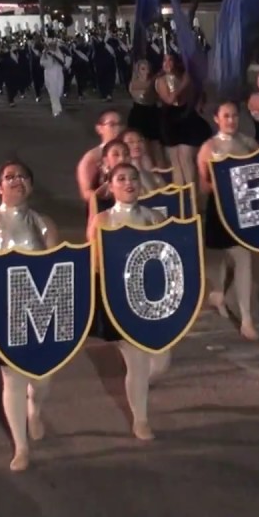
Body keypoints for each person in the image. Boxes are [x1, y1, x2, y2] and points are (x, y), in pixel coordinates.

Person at [0, 160, 62, 471]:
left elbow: (56, 268)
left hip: (43, 309)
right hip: (6, 307)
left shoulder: (45, 223)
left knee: (43, 378)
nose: (16, 181)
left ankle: (34, 409)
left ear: (31, 186)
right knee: (12, 379)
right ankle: (21, 447)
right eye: (9, 177)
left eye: (23, 176)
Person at [85, 163, 173, 440]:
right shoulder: (102, 221)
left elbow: (168, 261)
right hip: (121, 302)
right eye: (121, 179)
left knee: (160, 363)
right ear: (110, 187)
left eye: (133, 177)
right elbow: (95, 265)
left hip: (153, 302)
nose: (128, 183)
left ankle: (138, 391)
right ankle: (141, 419)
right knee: (137, 361)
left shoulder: (154, 218)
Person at [195, 102, 259, 340]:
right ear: (217, 119)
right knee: (241, 256)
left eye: (234, 116)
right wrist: (228, 186)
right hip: (222, 210)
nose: (231, 120)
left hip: (246, 210)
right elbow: (203, 185)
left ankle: (219, 293)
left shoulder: (249, 143)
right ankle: (246, 319)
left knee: (233, 256)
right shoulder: (208, 147)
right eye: (226, 116)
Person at [156, 54, 212, 187]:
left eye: (171, 60)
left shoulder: (184, 76)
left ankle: (192, 194)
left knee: (186, 159)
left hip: (187, 117)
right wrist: (183, 85)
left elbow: (197, 94)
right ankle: (181, 197)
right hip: (171, 119)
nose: (168, 63)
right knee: (176, 162)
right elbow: (170, 100)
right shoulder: (161, 80)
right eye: (165, 60)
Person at [75, 110, 124, 208]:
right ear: (99, 128)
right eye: (112, 124)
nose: (118, 129)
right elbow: (86, 193)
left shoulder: (132, 151)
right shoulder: (91, 158)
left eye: (120, 124)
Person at [126, 60, 164, 166]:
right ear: (138, 71)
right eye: (143, 69)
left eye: (148, 68)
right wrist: (154, 80)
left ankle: (161, 172)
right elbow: (143, 95)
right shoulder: (134, 83)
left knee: (157, 146)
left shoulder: (156, 82)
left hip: (153, 114)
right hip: (139, 115)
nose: (146, 71)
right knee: (144, 148)